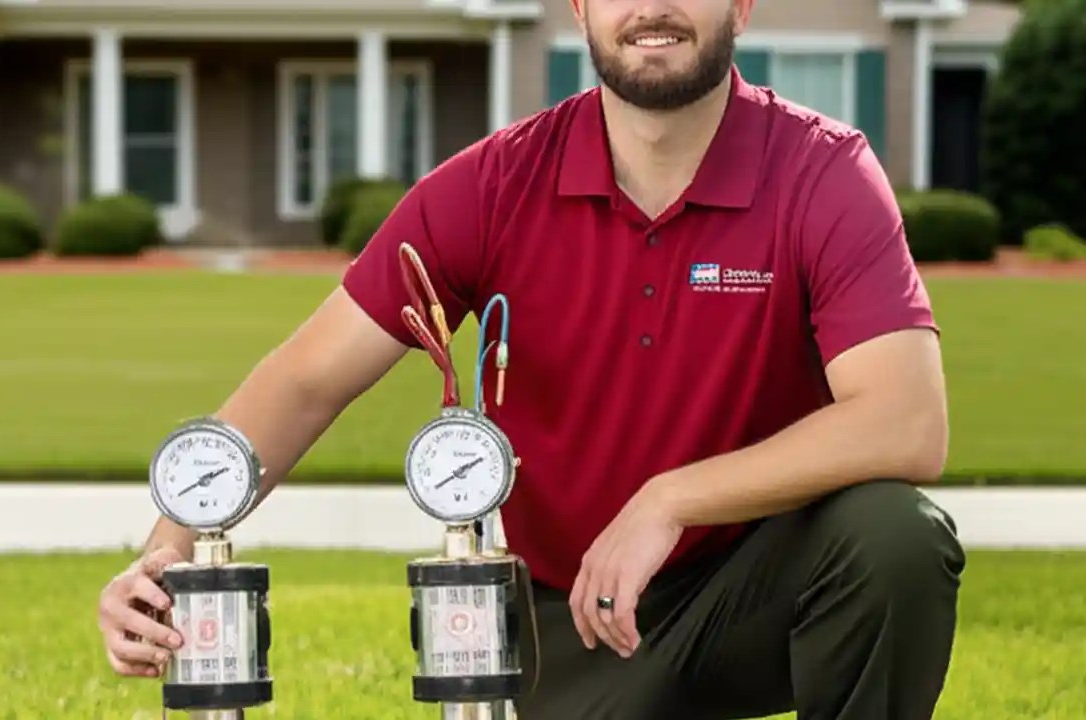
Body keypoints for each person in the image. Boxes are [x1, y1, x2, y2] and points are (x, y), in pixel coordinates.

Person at [97, 0, 967, 716]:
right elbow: (306, 378)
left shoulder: (823, 170)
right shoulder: (499, 183)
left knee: (894, 538)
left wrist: (672, 498)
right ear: (583, 9)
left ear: (740, 6)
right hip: (572, 619)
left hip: (756, 594)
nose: (654, 10)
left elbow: (907, 421)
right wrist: (164, 555)